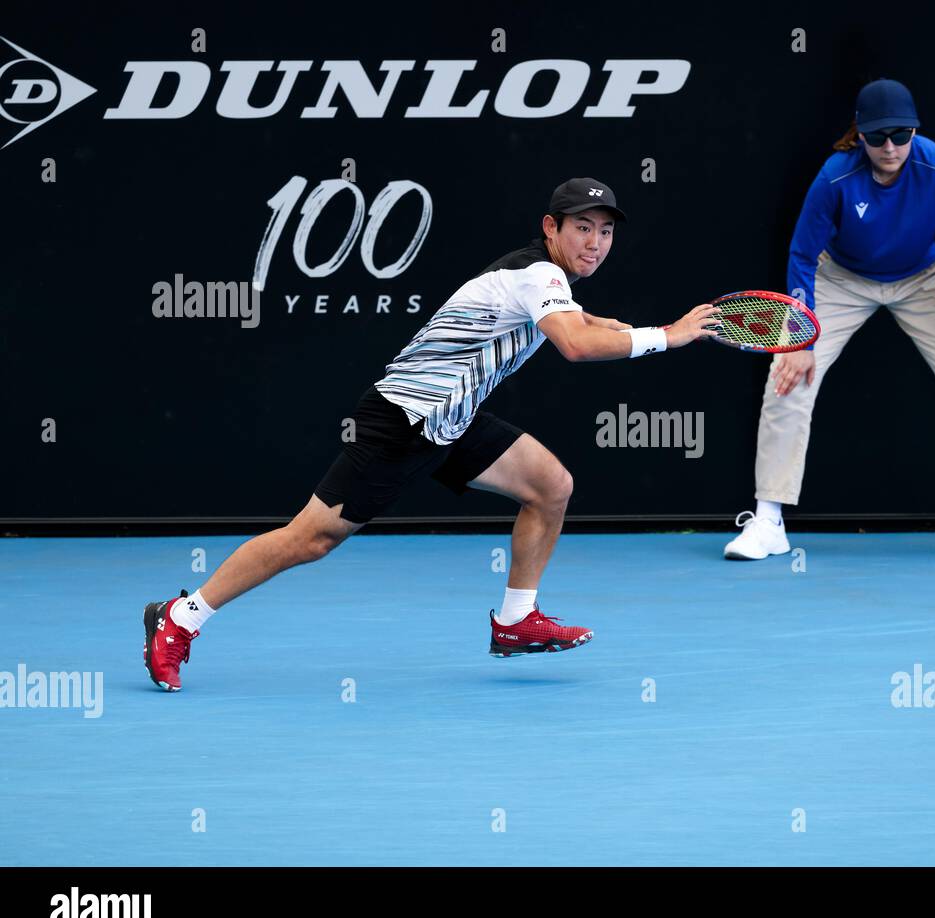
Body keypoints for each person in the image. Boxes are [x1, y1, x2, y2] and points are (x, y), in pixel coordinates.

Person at [144, 177, 721, 691]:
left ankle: (518, 620)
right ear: (551, 228)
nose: (594, 244)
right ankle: (181, 616)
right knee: (311, 540)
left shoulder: (541, 277)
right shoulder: (539, 273)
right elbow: (574, 343)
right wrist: (667, 335)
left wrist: (625, 326)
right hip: (402, 420)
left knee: (551, 486)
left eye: (604, 233)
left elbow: (580, 321)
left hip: (453, 418)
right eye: (582, 229)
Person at [724, 79, 935, 563]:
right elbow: (801, 255)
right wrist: (799, 337)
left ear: (915, 130)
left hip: (925, 278)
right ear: (859, 135)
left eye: (901, 135)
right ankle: (769, 521)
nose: (890, 147)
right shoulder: (834, 177)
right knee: (788, 378)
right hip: (841, 279)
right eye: (877, 137)